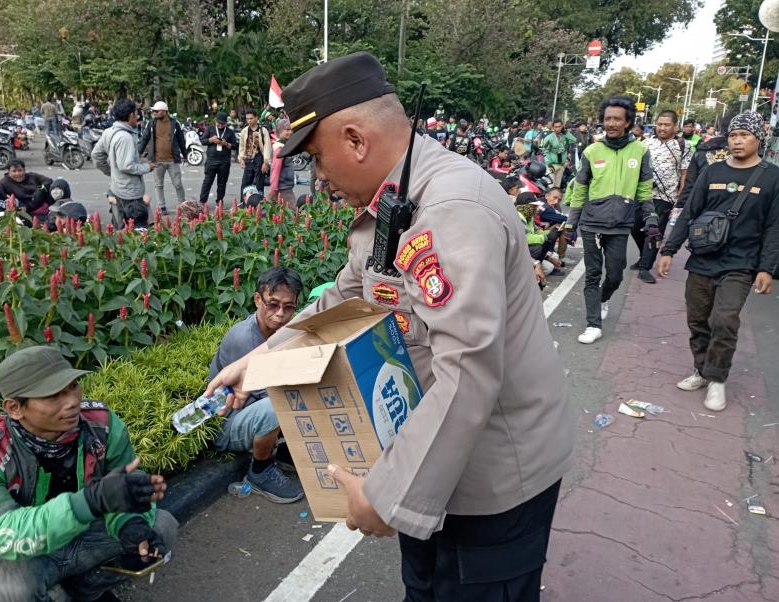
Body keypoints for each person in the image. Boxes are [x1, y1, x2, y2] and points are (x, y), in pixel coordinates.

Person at [207, 52, 574, 600]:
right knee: (422, 588)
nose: (321, 177)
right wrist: (257, 360)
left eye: (317, 158)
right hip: (432, 451)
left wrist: (386, 495)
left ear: (355, 139)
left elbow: (468, 372)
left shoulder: (449, 211)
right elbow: (347, 296)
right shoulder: (396, 198)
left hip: (492, 476)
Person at [0, 346, 177, 602]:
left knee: (162, 526)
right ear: (15, 407)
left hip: (82, 533)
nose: (72, 400)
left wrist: (130, 523)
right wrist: (91, 501)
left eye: (73, 385)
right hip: (20, 555)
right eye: (53, 395)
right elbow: (6, 534)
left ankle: (86, 593)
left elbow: (127, 483)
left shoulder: (101, 425)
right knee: (6, 589)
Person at [657, 111, 779, 412]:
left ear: (758, 140)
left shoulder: (772, 177)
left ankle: (717, 379)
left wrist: (767, 268)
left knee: (724, 320)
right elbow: (689, 212)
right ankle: (701, 369)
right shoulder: (712, 173)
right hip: (703, 258)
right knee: (697, 319)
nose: (737, 141)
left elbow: (774, 226)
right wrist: (669, 250)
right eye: (734, 135)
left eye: (744, 136)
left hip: (741, 263)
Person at [565, 96, 659, 344]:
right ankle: (593, 324)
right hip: (591, 224)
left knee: (615, 275)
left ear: (628, 122)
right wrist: (570, 224)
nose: (611, 123)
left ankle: (603, 298)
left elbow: (644, 190)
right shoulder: (591, 151)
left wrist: (651, 219)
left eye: (617, 118)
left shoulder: (640, 151)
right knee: (593, 274)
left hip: (620, 225)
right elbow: (580, 190)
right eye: (607, 118)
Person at [208, 267, 305, 503]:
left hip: (253, 411)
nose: (281, 314)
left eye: (288, 307)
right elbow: (270, 394)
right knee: (278, 404)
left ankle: (284, 451)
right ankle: (260, 471)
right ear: (257, 300)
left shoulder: (284, 331)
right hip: (226, 424)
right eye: (273, 304)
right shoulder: (242, 337)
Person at [632, 110, 692, 283]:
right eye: (660, 124)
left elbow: (684, 172)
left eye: (667, 125)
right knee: (634, 226)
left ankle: (645, 267)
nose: (662, 128)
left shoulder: (683, 146)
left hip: (665, 196)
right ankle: (644, 255)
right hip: (642, 193)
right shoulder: (645, 143)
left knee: (654, 232)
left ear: (675, 126)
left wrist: (681, 193)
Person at [91, 99, 155, 228]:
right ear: (130, 115)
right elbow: (126, 166)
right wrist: (147, 167)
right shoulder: (125, 137)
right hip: (130, 193)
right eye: (136, 113)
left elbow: (96, 155)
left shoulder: (109, 132)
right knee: (139, 229)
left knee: (120, 229)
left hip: (117, 189)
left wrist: (112, 172)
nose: (137, 116)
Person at [138, 101, 188, 213]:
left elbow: (181, 140)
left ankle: (183, 204)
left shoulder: (175, 123)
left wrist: (185, 154)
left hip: (172, 160)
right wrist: (138, 153)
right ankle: (162, 206)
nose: (153, 113)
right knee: (158, 185)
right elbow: (144, 139)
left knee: (178, 184)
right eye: (153, 111)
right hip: (157, 160)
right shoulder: (151, 123)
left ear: (164, 112)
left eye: (156, 111)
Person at [199, 112, 237, 206]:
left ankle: (219, 201)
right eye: (218, 123)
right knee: (207, 182)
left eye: (222, 124)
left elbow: (235, 145)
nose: (220, 125)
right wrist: (210, 140)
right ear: (215, 121)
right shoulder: (210, 129)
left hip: (224, 161)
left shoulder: (229, 132)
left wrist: (226, 144)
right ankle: (202, 201)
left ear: (226, 123)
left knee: (222, 183)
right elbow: (202, 141)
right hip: (211, 160)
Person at [238, 108, 272, 195]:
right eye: (247, 119)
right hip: (248, 159)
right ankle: (244, 203)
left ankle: (258, 204)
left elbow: (267, 147)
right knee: (245, 183)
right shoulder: (244, 131)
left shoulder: (263, 130)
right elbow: (242, 147)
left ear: (256, 118)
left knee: (259, 183)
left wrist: (266, 162)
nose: (249, 121)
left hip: (259, 158)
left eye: (251, 118)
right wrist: (241, 158)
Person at [268, 118, 296, 207]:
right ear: (280, 131)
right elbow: (275, 169)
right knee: (291, 214)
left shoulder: (286, 145)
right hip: (282, 188)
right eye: (287, 130)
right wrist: (274, 188)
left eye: (291, 129)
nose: (290, 132)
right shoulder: (279, 148)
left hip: (286, 187)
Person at [540, 119, 575, 188]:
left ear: (562, 127)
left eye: (559, 126)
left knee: (557, 186)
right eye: (556, 127)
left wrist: (565, 132)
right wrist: (549, 164)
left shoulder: (564, 137)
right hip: (552, 164)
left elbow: (573, 140)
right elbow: (545, 151)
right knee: (551, 186)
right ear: (553, 127)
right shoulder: (549, 138)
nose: (557, 128)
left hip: (561, 164)